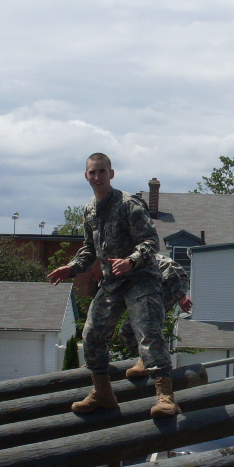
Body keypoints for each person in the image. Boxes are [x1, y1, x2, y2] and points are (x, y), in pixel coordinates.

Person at [47, 153, 180, 418]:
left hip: (140, 278)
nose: (97, 177)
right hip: (113, 281)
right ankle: (103, 392)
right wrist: (72, 267)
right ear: (86, 176)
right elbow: (89, 248)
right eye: (92, 173)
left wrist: (131, 261)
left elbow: (151, 241)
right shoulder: (89, 211)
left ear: (112, 174)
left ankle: (165, 396)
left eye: (102, 172)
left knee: (148, 330)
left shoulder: (128, 205)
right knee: (92, 334)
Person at [120, 253, 193, 379]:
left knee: (148, 322)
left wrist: (180, 294)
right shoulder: (110, 279)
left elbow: (167, 267)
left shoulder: (124, 259)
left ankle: (157, 364)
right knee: (126, 332)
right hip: (150, 285)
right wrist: (95, 359)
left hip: (172, 279)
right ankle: (148, 357)